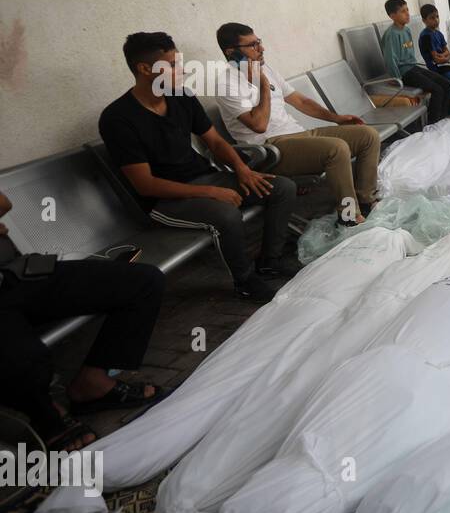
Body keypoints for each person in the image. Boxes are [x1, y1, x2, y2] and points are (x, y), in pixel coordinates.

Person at [100, 32, 297, 302]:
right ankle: (245, 281)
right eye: (171, 65)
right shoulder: (118, 119)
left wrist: (242, 169)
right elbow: (145, 184)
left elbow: (215, 142)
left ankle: (270, 260)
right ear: (145, 69)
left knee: (281, 187)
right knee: (226, 214)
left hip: (205, 178)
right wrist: (210, 192)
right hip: (163, 202)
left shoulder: (181, 97)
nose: (180, 71)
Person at [1, 190, 169, 449]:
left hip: (16, 274)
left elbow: (3, 203)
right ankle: (46, 417)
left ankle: (93, 383)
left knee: (144, 282)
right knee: (25, 360)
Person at [214, 23, 381, 226]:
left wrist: (336, 118)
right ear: (232, 53)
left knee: (367, 135)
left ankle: (365, 199)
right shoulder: (226, 84)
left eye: (259, 42)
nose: (261, 48)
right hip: (270, 147)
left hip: (300, 135)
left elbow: (300, 101)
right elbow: (258, 125)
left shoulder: (266, 68)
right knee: (337, 149)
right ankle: (348, 216)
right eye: (252, 45)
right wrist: (264, 86)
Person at [380, 0, 450, 119]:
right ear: (392, 16)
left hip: (413, 68)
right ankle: (434, 123)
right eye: (402, 11)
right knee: (437, 90)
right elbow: (390, 59)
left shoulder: (406, 30)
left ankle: (442, 119)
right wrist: (397, 79)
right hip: (404, 73)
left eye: (407, 9)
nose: (407, 14)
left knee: (447, 85)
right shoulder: (391, 34)